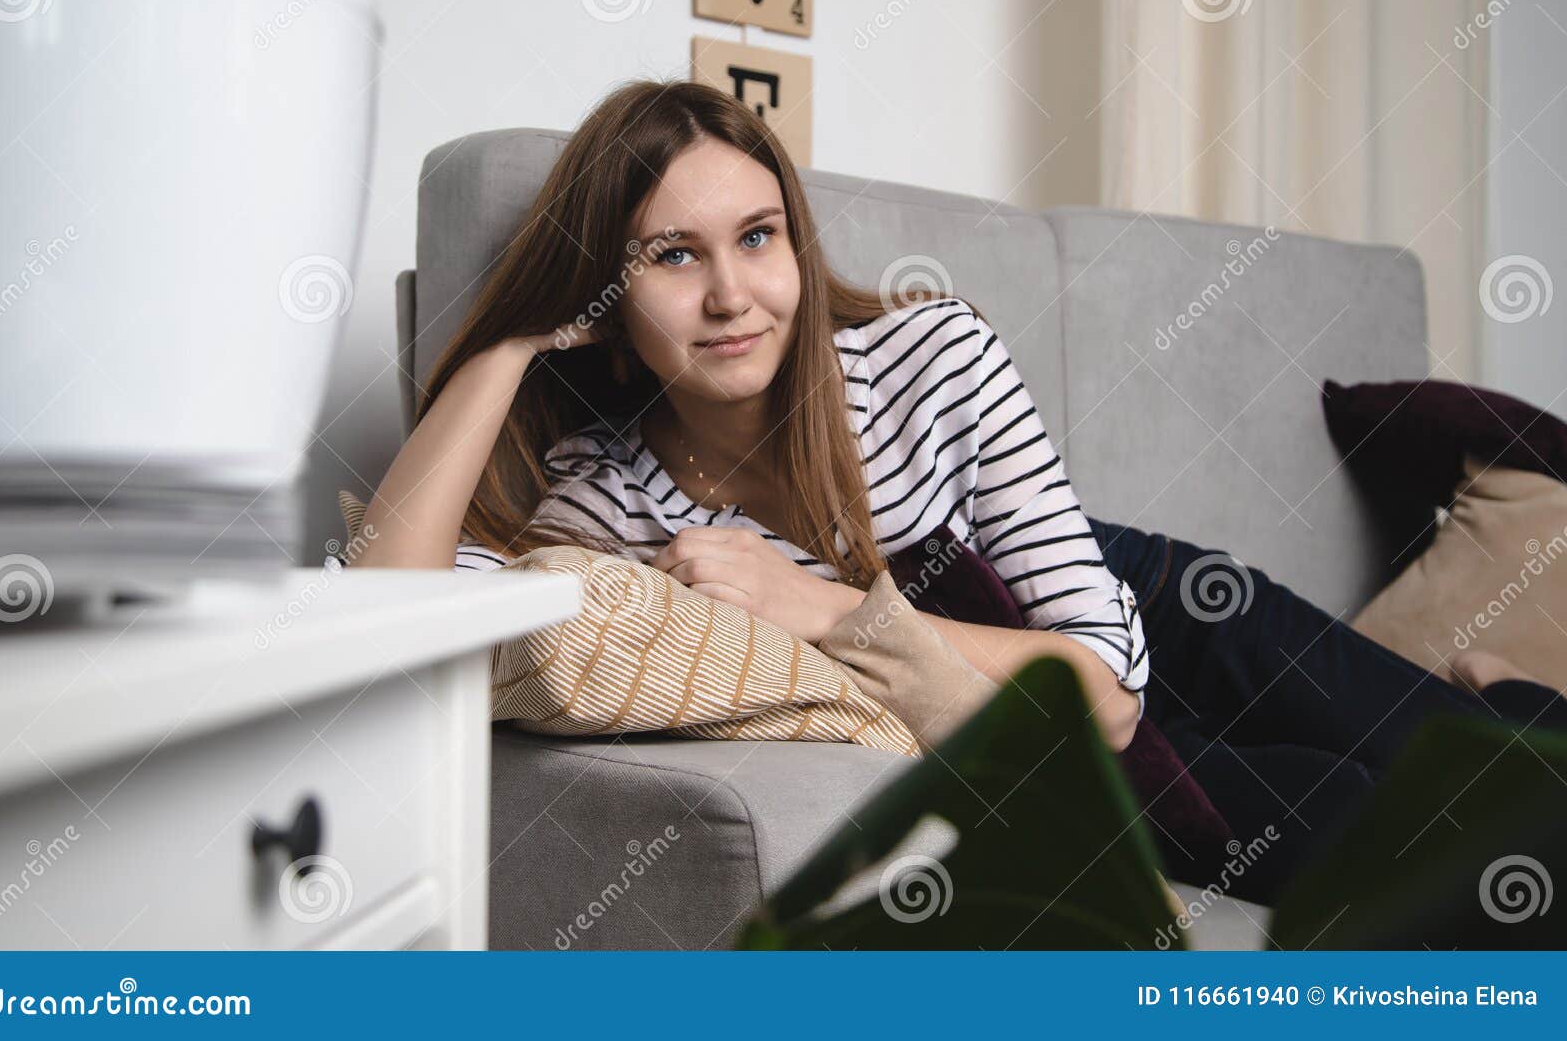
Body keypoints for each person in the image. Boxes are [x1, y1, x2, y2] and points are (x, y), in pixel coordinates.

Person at [353, 78, 1564, 894]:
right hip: (1029, 712)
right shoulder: (604, 494)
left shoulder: (928, 354)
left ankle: (1517, 697)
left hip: (1152, 613)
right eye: (673, 256)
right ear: (604, 305)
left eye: (759, 236)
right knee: (1416, 828)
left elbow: (1108, 681)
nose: (733, 295)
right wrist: (509, 352)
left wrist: (825, 608)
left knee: (1468, 750)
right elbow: (387, 608)